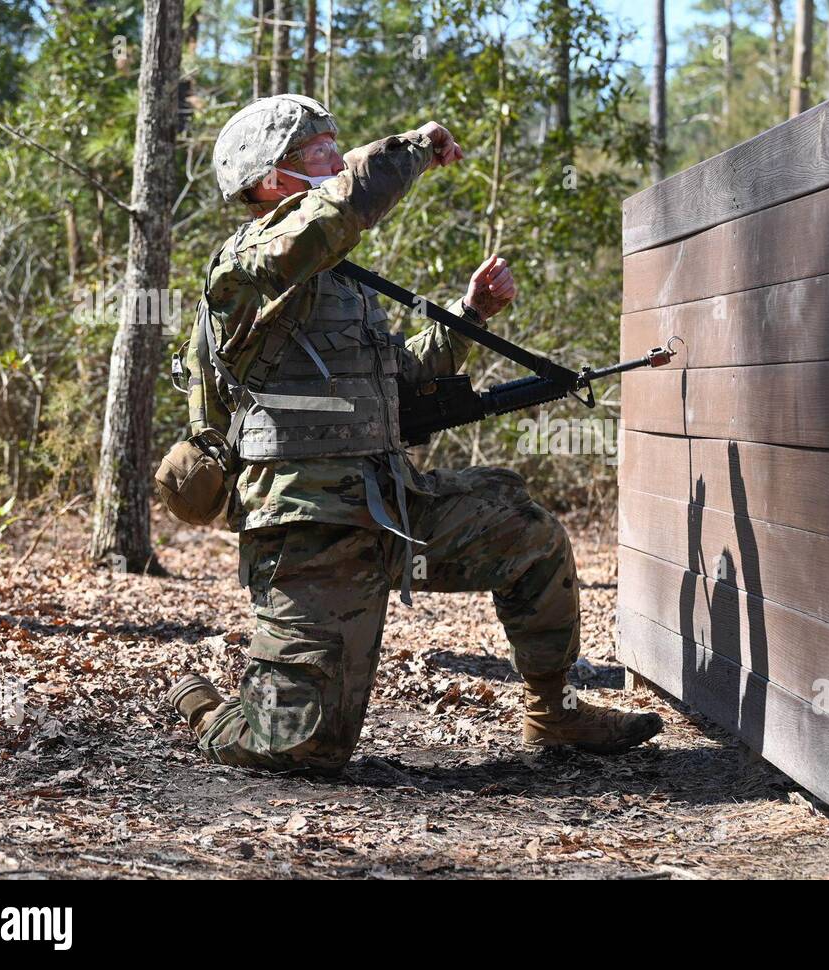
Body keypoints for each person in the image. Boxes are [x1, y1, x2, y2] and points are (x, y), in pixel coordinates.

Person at [167, 94, 662, 773]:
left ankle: (554, 714)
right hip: (313, 529)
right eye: (320, 154)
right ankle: (204, 707)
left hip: (392, 504)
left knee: (526, 530)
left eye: (339, 151)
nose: (337, 163)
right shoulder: (247, 265)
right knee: (299, 751)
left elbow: (404, 379)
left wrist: (472, 313)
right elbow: (343, 205)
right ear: (270, 180)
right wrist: (416, 147)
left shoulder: (341, 286)